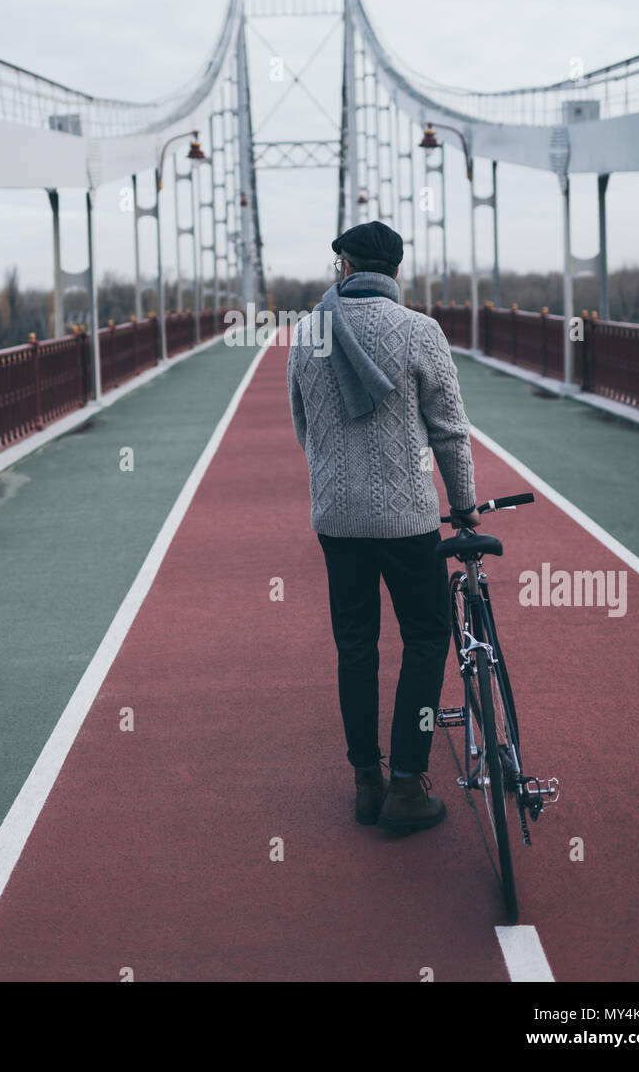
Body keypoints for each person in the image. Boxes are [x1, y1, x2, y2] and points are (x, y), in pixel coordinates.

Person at [287, 220, 480, 834]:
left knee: (355, 645)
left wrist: (337, 475)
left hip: (338, 522)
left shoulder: (308, 333)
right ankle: (406, 784)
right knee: (426, 639)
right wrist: (466, 504)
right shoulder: (422, 331)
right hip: (407, 523)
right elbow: (448, 428)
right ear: (396, 271)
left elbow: (302, 429)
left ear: (343, 266)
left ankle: (365, 780)